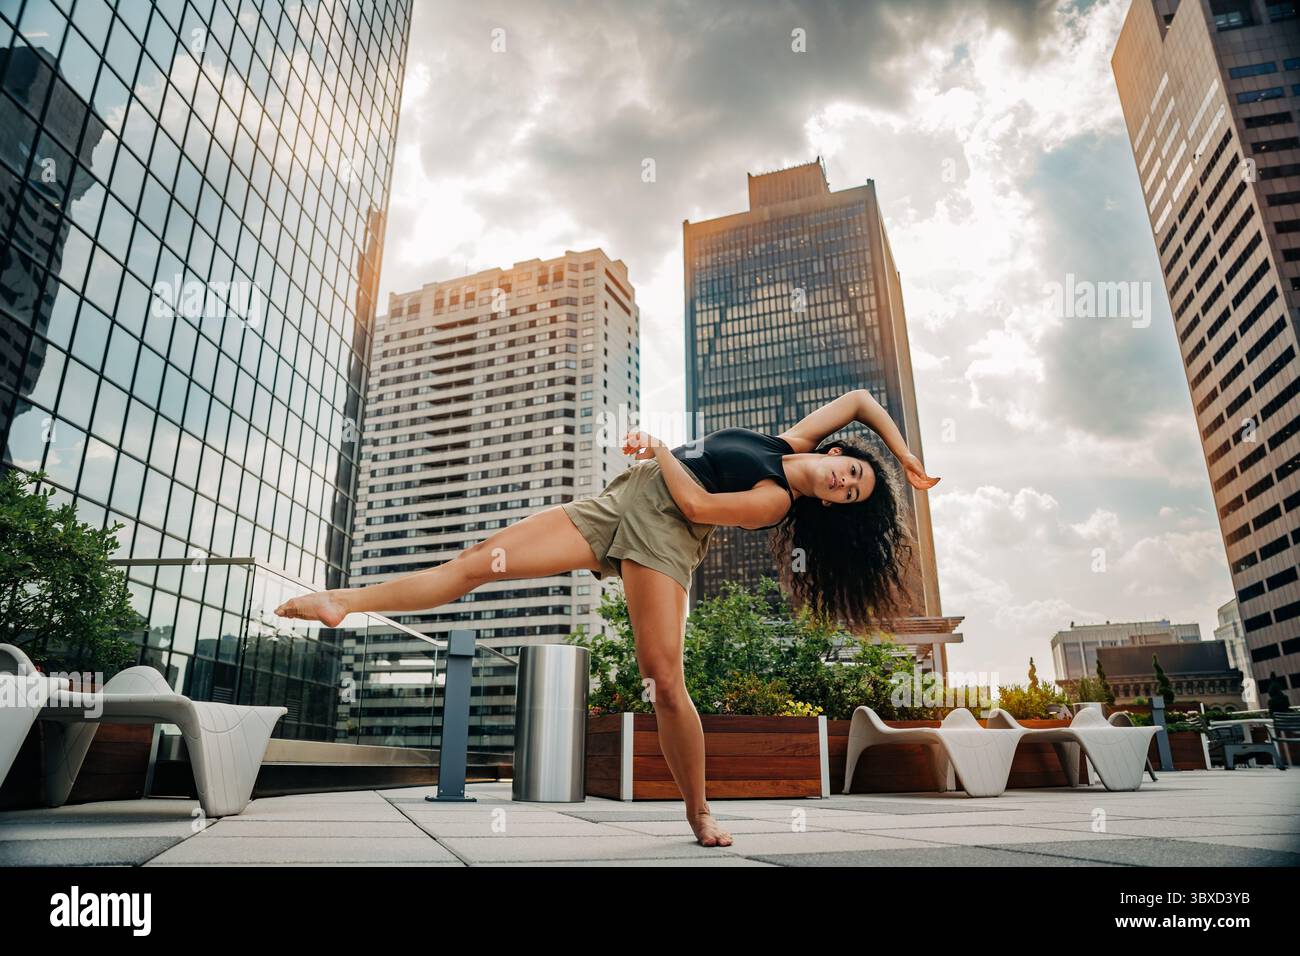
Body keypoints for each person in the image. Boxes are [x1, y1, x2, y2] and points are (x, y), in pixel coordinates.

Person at [274, 388, 939, 847]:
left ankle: (698, 811)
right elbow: (857, 401)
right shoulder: (789, 439)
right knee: (481, 559)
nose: (843, 481)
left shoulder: (771, 501)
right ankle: (346, 601)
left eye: (850, 492)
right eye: (850, 468)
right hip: (621, 502)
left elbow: (702, 511)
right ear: (837, 453)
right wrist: (902, 455)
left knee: (664, 681)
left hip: (664, 536)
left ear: (832, 505)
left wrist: (663, 450)